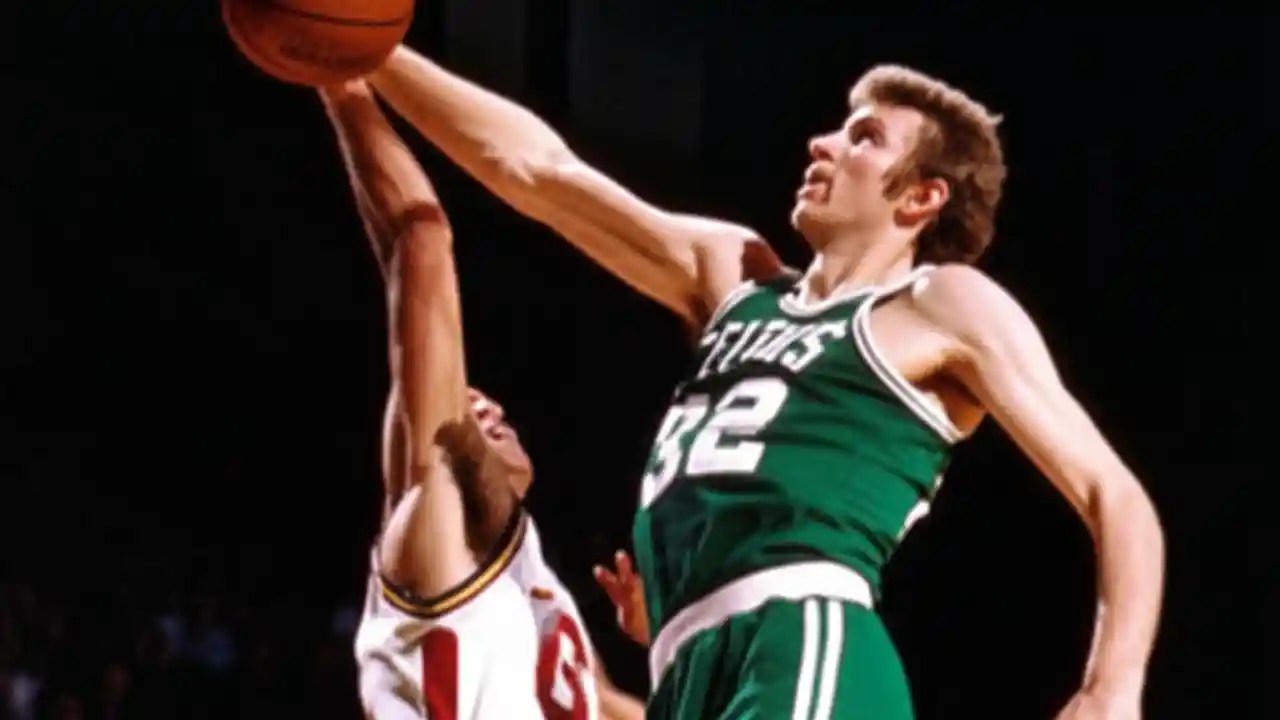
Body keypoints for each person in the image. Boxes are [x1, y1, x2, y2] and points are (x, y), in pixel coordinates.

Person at [366, 49, 1165, 720]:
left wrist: (1110, 689)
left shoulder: (939, 303)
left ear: (922, 197)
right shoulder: (737, 278)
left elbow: (1113, 494)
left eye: (864, 138)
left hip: (800, 633)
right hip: (687, 667)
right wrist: (375, 57)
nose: (821, 144)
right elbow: (539, 171)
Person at [320, 79, 643, 720]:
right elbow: (419, 239)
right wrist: (343, 82)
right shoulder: (437, 542)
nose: (487, 408)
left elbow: (605, 705)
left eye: (493, 406)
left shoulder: (523, 580)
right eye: (470, 411)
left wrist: (665, 643)